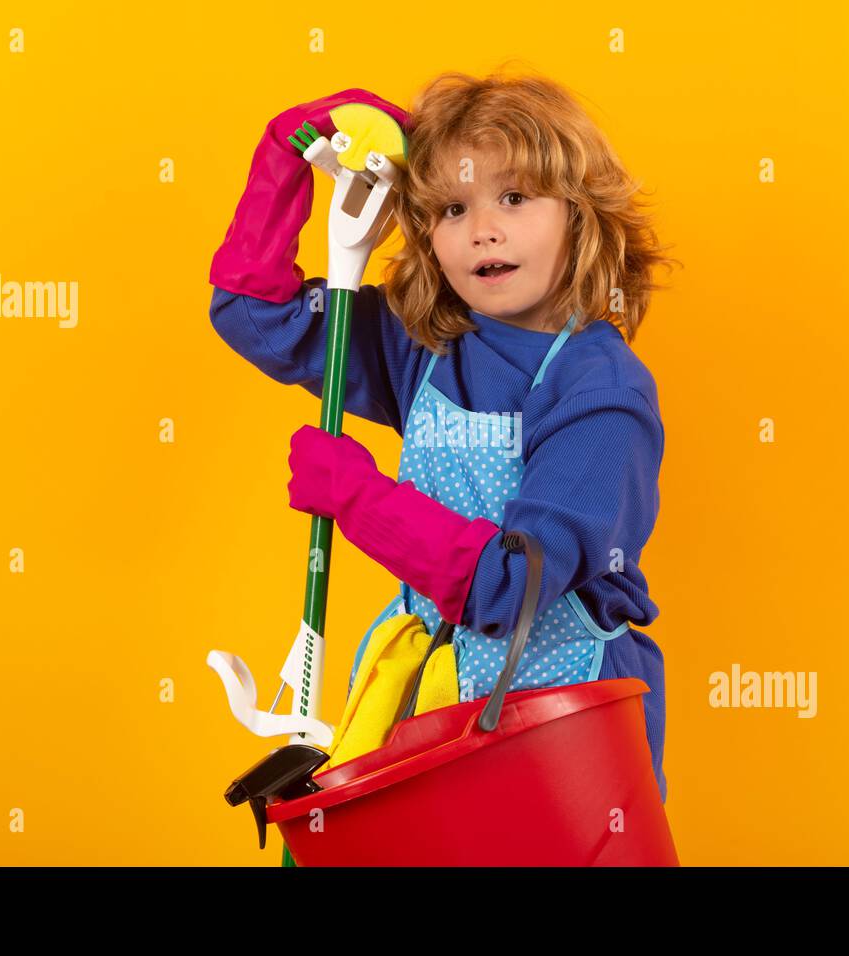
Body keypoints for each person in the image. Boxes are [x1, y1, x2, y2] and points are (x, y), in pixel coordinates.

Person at [208, 71, 679, 801]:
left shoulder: (599, 394)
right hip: (432, 711)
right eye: (452, 207)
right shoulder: (427, 344)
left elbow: (510, 586)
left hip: (561, 734)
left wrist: (361, 501)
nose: (483, 227)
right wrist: (285, 156)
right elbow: (251, 312)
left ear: (580, 217)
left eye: (515, 198)